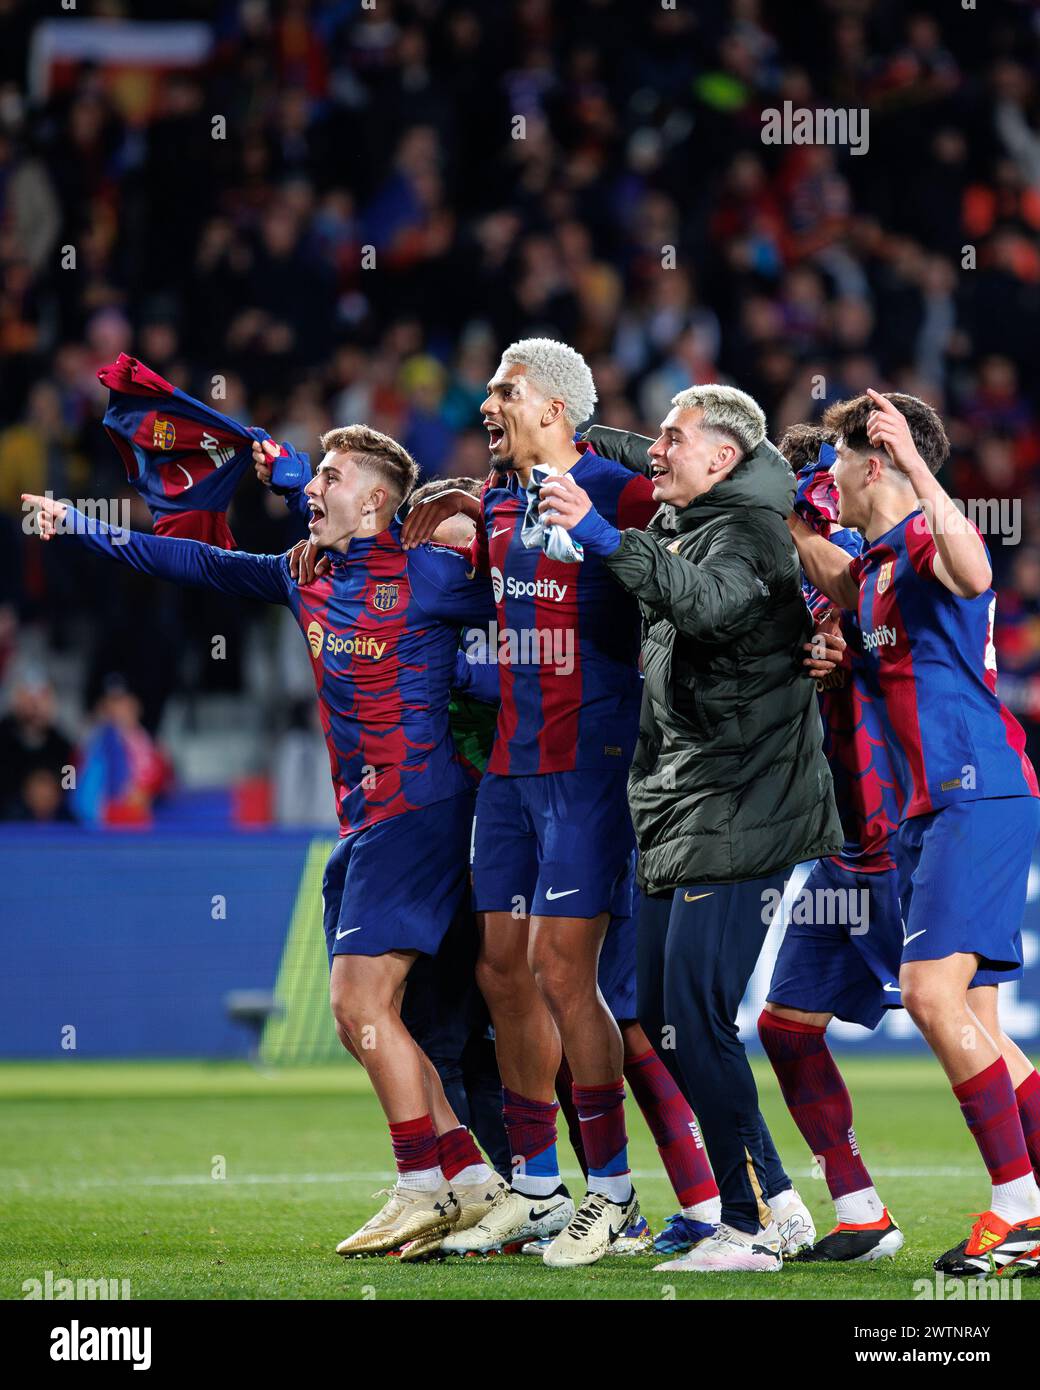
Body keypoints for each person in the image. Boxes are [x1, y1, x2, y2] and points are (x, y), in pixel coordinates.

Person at [22, 422, 508, 1262]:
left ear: (377, 499)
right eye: (312, 472)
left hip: (422, 810)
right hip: (365, 822)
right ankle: (468, 1180)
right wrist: (82, 525)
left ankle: (419, 1187)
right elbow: (193, 563)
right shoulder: (303, 574)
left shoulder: (428, 574)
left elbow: (530, 590)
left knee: (359, 1009)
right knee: (378, 1018)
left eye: (331, 473)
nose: (311, 485)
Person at [538, 384, 843, 1273]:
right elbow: (649, 455)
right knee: (673, 1020)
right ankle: (780, 1207)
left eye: (676, 440)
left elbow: (704, 607)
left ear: (722, 460)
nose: (656, 452)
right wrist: (585, 432)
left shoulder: (747, 533)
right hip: (683, 803)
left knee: (696, 1020)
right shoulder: (704, 503)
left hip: (743, 807)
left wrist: (600, 534)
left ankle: (745, 1226)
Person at [403, 338, 660, 1265]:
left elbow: (680, 585)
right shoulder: (501, 501)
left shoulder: (622, 493)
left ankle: (616, 1195)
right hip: (510, 769)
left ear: (553, 406)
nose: (487, 405)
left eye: (505, 391)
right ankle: (538, 1186)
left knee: (566, 973)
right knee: (501, 970)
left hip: (590, 764)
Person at [787, 389, 1040, 1276]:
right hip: (932, 810)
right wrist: (840, 656)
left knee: (930, 996)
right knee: (978, 1024)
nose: (832, 481)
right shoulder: (886, 563)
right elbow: (842, 587)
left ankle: (1019, 1208)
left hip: (978, 789)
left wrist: (925, 466)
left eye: (842, 463)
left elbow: (976, 575)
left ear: (877, 461)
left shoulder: (928, 539)